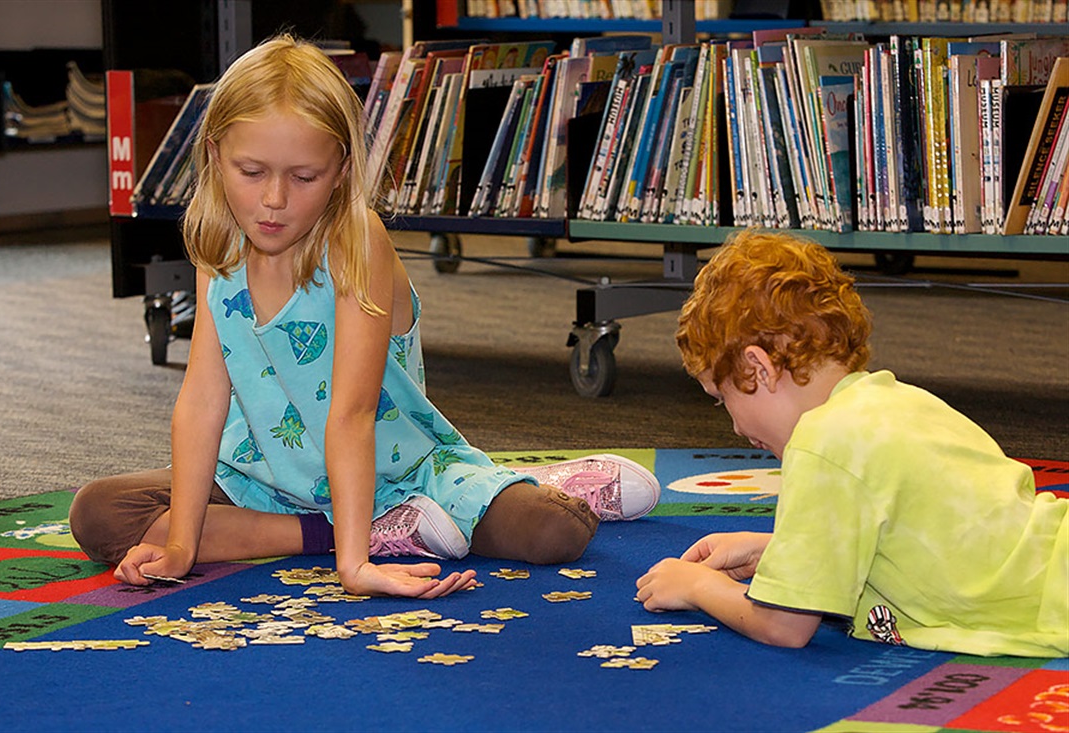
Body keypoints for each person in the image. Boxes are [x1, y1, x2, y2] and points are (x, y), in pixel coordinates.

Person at [69, 35, 660, 600]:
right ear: (215, 155)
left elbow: (352, 412)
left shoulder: (358, 241)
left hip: (392, 469)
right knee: (98, 512)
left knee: (552, 533)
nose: (273, 199)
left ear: (343, 169)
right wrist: (178, 546)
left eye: (304, 178)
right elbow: (201, 399)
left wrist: (354, 567)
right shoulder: (219, 243)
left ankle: (528, 485)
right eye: (251, 173)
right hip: (266, 477)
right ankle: (352, 533)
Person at [635, 229, 1067, 657]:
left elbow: (783, 625)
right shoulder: (898, 400)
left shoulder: (821, 442)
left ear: (758, 368)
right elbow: (928, 538)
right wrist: (777, 550)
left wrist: (698, 587)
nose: (733, 426)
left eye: (723, 398)